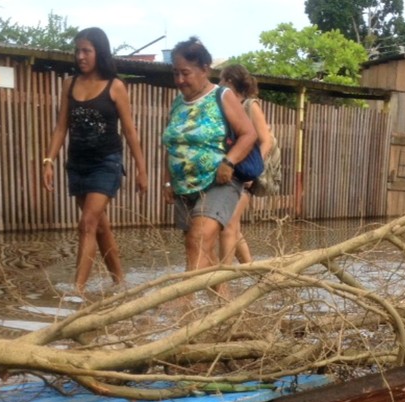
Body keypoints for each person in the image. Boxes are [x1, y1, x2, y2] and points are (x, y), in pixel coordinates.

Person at [42, 27, 148, 293]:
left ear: (99, 52)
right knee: (100, 226)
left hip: (107, 162)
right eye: (77, 50)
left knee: (87, 223)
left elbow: (130, 131)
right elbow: (60, 127)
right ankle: (120, 282)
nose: (80, 56)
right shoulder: (70, 84)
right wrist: (48, 160)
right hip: (77, 164)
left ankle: (77, 291)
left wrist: (141, 170)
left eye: (86, 50)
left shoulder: (115, 86)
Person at [161, 37, 257, 273]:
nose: (180, 80)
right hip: (185, 187)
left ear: (204, 69)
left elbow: (249, 134)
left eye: (185, 72)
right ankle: (225, 304)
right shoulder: (177, 103)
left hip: (219, 182)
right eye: (175, 73)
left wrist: (229, 161)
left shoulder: (222, 96)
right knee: (199, 250)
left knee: (198, 240)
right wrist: (167, 180)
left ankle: (183, 305)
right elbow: (172, 145)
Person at [218, 64, 274, 266]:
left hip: (247, 174)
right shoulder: (228, 106)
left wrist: (251, 173)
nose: (219, 85)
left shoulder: (250, 106)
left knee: (228, 225)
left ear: (229, 82)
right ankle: (252, 272)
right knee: (234, 228)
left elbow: (266, 141)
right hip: (234, 172)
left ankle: (221, 278)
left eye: (222, 80)